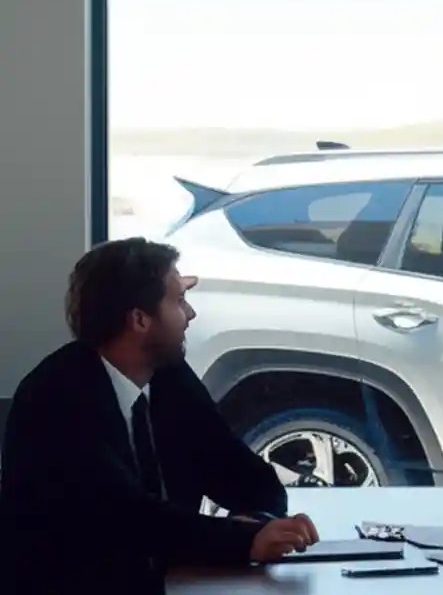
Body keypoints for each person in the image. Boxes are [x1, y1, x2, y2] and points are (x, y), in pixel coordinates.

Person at [0, 238, 320, 594]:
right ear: (140, 319)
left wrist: (261, 522)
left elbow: (242, 472)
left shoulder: (167, 377)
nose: (191, 314)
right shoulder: (54, 398)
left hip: (167, 582)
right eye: (179, 301)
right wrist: (243, 540)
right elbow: (125, 518)